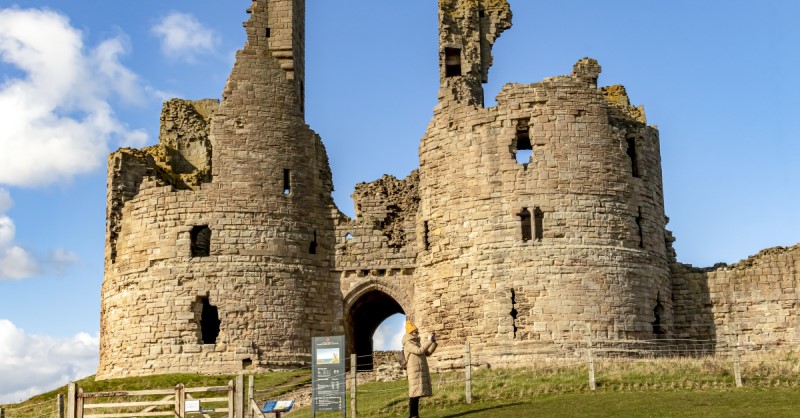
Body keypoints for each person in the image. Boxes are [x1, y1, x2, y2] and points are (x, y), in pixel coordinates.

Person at [402, 320, 437, 418]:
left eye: (417, 331)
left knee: (416, 394)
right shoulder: (408, 343)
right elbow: (419, 351)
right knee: (414, 394)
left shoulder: (416, 343)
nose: (417, 333)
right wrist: (429, 341)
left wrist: (433, 342)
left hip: (419, 371)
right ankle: (413, 416)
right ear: (410, 333)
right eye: (415, 332)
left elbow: (427, 353)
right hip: (414, 372)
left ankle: (414, 416)